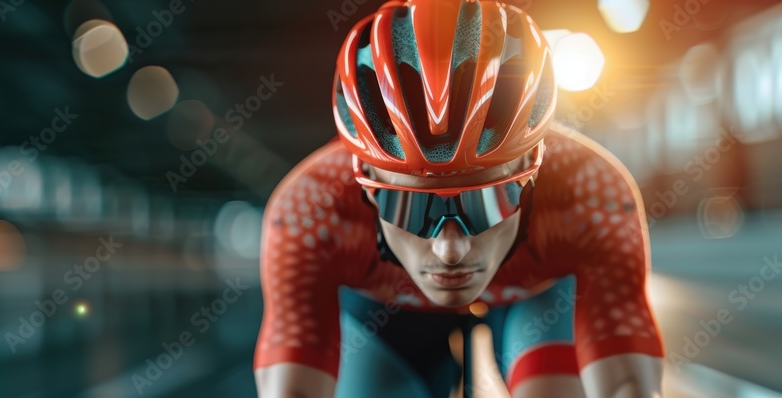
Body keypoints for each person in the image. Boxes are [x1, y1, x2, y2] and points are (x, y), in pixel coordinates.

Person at [253, 0, 665, 397]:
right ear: (365, 186)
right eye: (410, 209)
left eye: (485, 204)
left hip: (528, 295)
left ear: (534, 168)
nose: (451, 249)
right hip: (401, 312)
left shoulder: (591, 195)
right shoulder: (311, 209)